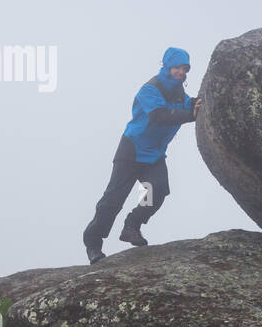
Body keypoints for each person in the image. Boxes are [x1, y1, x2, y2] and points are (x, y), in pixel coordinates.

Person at [82, 46, 202, 264]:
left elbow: (187, 103)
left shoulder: (178, 92)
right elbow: (159, 116)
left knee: (156, 190)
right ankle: (93, 242)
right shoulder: (150, 89)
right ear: (167, 66)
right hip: (131, 150)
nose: (181, 72)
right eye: (177, 67)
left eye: (185, 69)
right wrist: (189, 114)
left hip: (154, 155)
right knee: (113, 200)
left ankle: (132, 225)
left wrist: (196, 103)